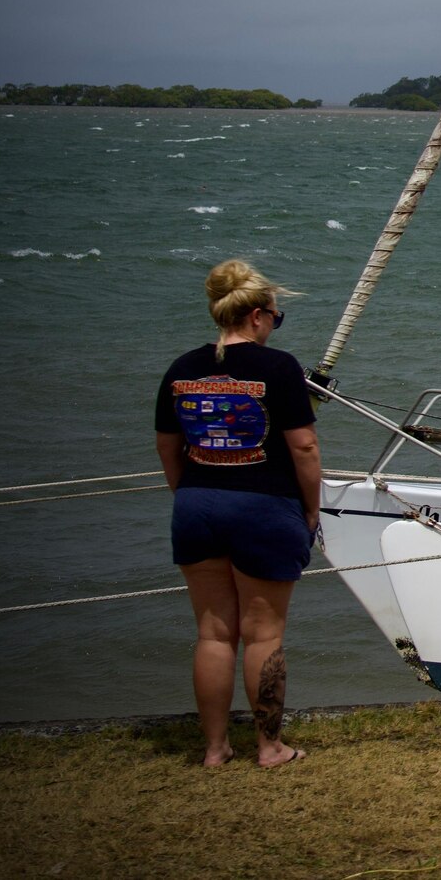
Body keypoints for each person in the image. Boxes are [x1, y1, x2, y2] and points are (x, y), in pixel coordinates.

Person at [154, 258, 320, 769]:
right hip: (264, 506)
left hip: (197, 504)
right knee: (263, 633)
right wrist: (310, 512)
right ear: (255, 315)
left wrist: (188, 493)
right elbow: (305, 449)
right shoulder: (278, 368)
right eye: (276, 315)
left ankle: (215, 747)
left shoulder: (182, 368)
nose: (275, 324)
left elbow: (167, 446)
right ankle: (269, 746)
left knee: (213, 634)